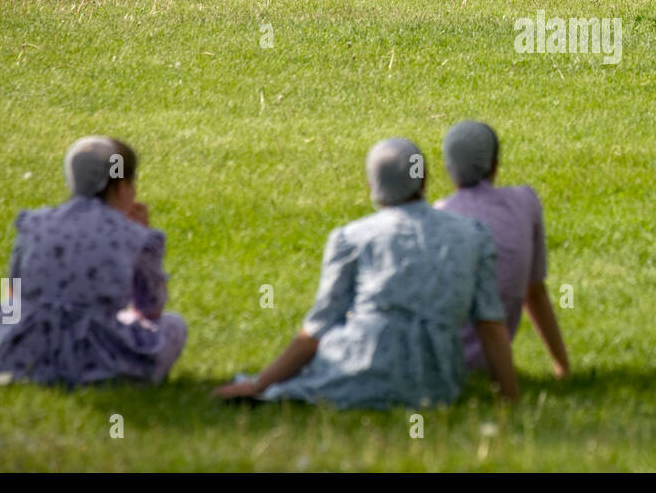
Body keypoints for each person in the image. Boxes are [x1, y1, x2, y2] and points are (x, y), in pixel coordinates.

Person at [213, 138, 519, 408]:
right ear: (423, 178)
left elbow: (316, 331)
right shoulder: (474, 234)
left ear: (373, 185)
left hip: (362, 369)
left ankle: (266, 395)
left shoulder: (352, 238)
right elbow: (490, 323)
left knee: (290, 385)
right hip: (438, 383)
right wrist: (511, 398)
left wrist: (259, 385)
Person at [0, 136, 186, 385]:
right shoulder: (133, 235)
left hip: (24, 357)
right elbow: (150, 309)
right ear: (122, 186)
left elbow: (15, 296)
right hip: (97, 358)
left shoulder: (34, 223)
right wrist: (141, 237)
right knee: (174, 326)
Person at [436, 121, 570, 379]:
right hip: (490, 363)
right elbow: (536, 293)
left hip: (440, 367)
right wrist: (562, 365)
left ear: (448, 169)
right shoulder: (525, 202)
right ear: (495, 164)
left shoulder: (438, 215)